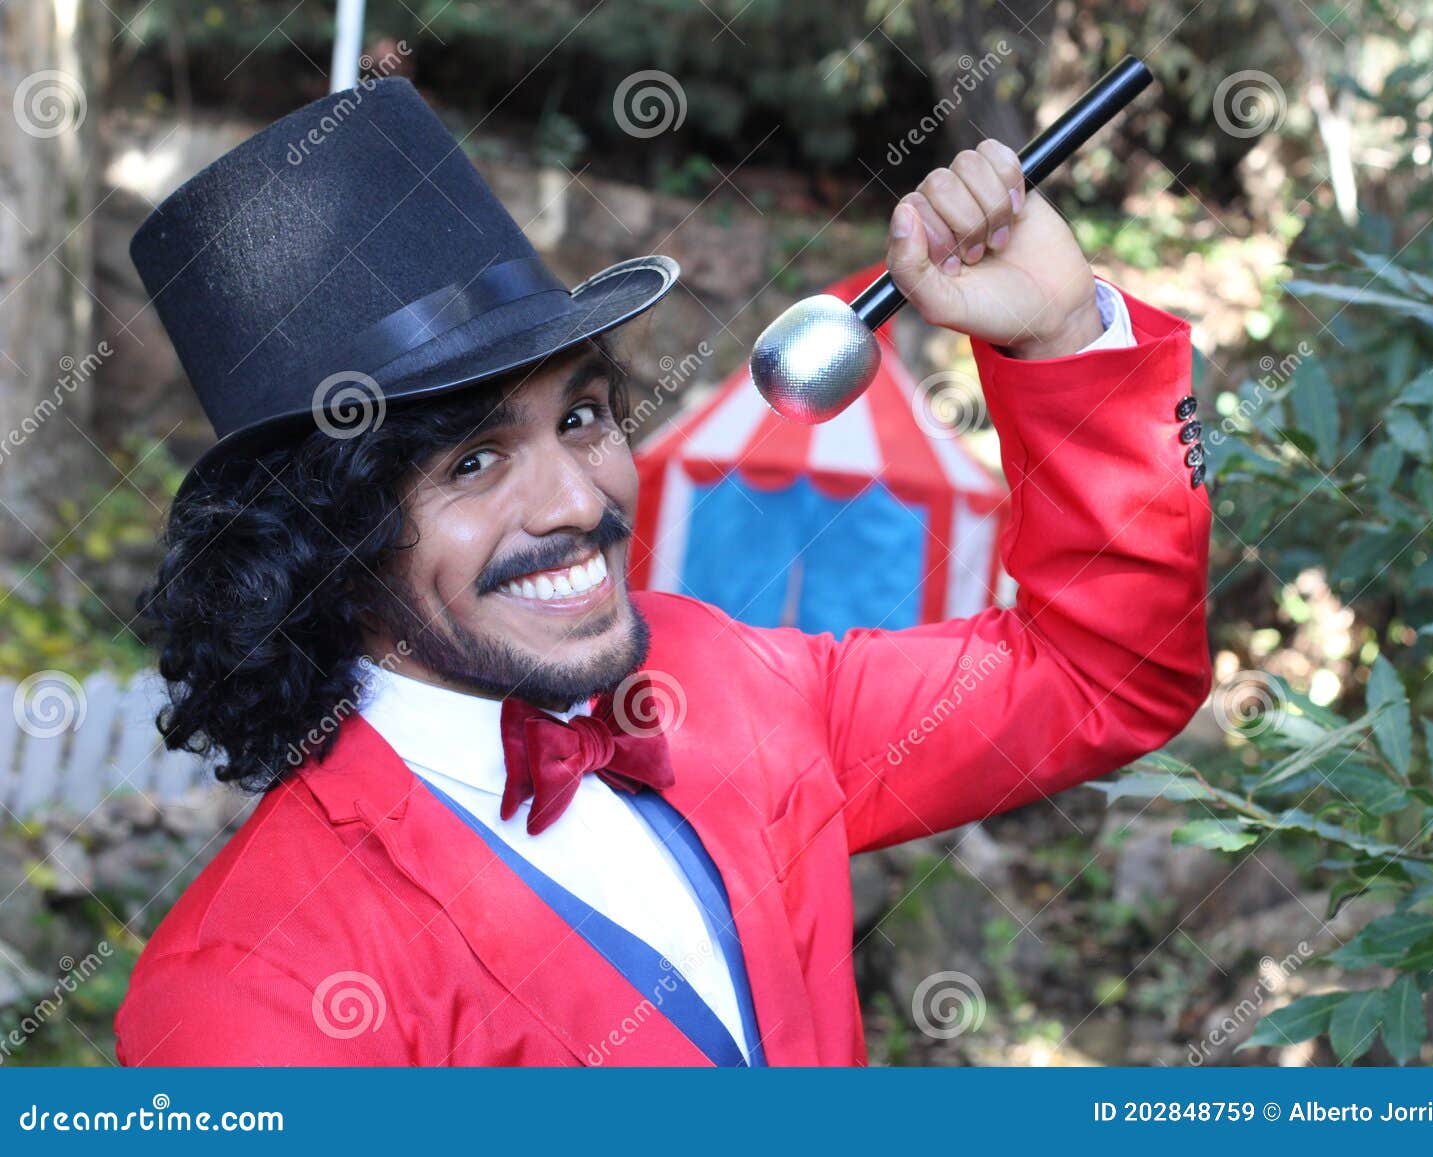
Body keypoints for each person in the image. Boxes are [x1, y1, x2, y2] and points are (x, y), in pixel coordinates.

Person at [114, 77, 1212, 1066]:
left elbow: (1104, 672)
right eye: (474, 460)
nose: (580, 500)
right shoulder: (248, 992)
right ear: (323, 539)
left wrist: (1065, 332)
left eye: (582, 416)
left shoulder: (728, 679)